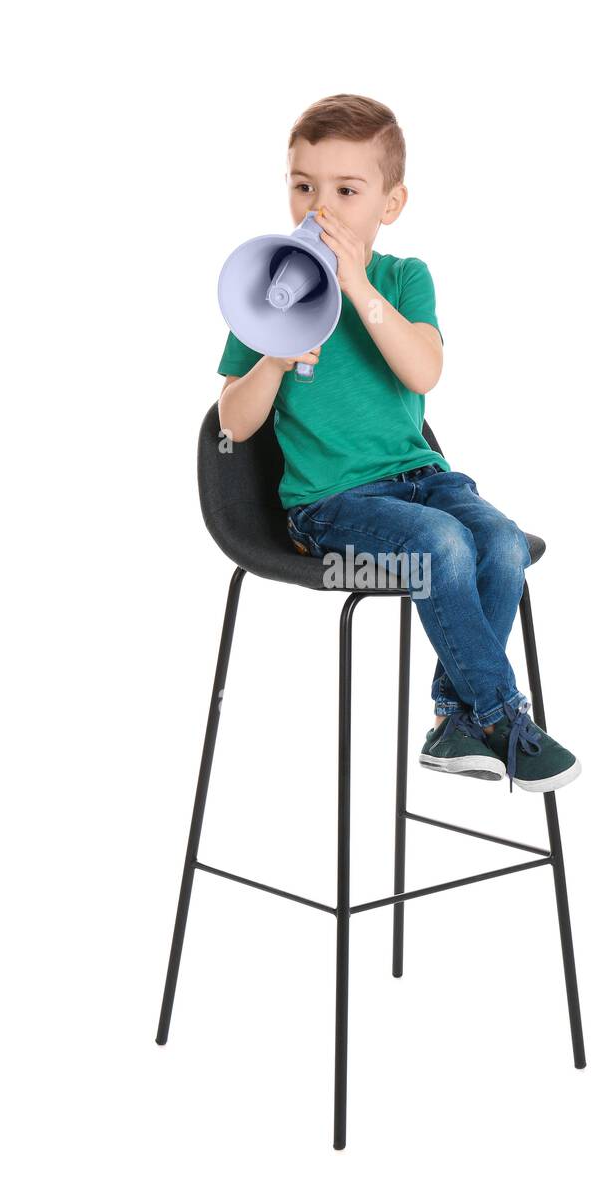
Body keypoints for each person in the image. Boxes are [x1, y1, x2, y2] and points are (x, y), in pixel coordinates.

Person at [216, 93, 580, 793]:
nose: (320, 208)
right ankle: (504, 721)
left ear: (389, 203)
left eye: (346, 191)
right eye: (303, 187)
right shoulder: (269, 291)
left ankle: (455, 723)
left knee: (500, 541)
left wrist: (356, 289)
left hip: (423, 479)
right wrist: (274, 355)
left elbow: (425, 369)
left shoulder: (404, 278)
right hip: (330, 505)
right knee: (440, 546)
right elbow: (232, 424)